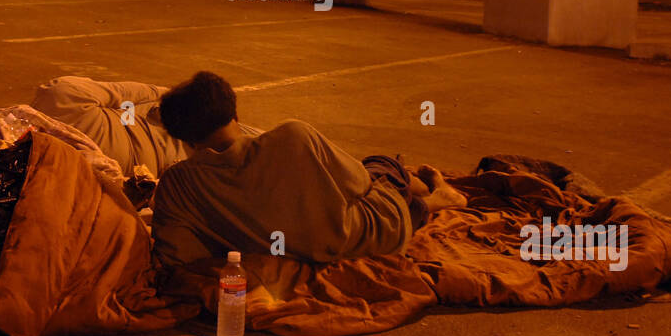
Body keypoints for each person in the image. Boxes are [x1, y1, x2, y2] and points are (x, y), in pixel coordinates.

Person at [151, 71, 465, 268]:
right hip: (357, 239)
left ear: (184, 137)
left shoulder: (177, 184)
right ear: (234, 110)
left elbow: (179, 253)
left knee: (370, 176)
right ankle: (440, 198)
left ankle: (421, 188)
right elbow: (358, 184)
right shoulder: (292, 136)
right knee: (382, 169)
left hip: (281, 254)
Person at [30, 75, 259, 177]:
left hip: (162, 123)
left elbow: (127, 94)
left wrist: (175, 99)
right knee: (246, 153)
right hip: (177, 155)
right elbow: (128, 94)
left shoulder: (62, 96)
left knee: (247, 144)